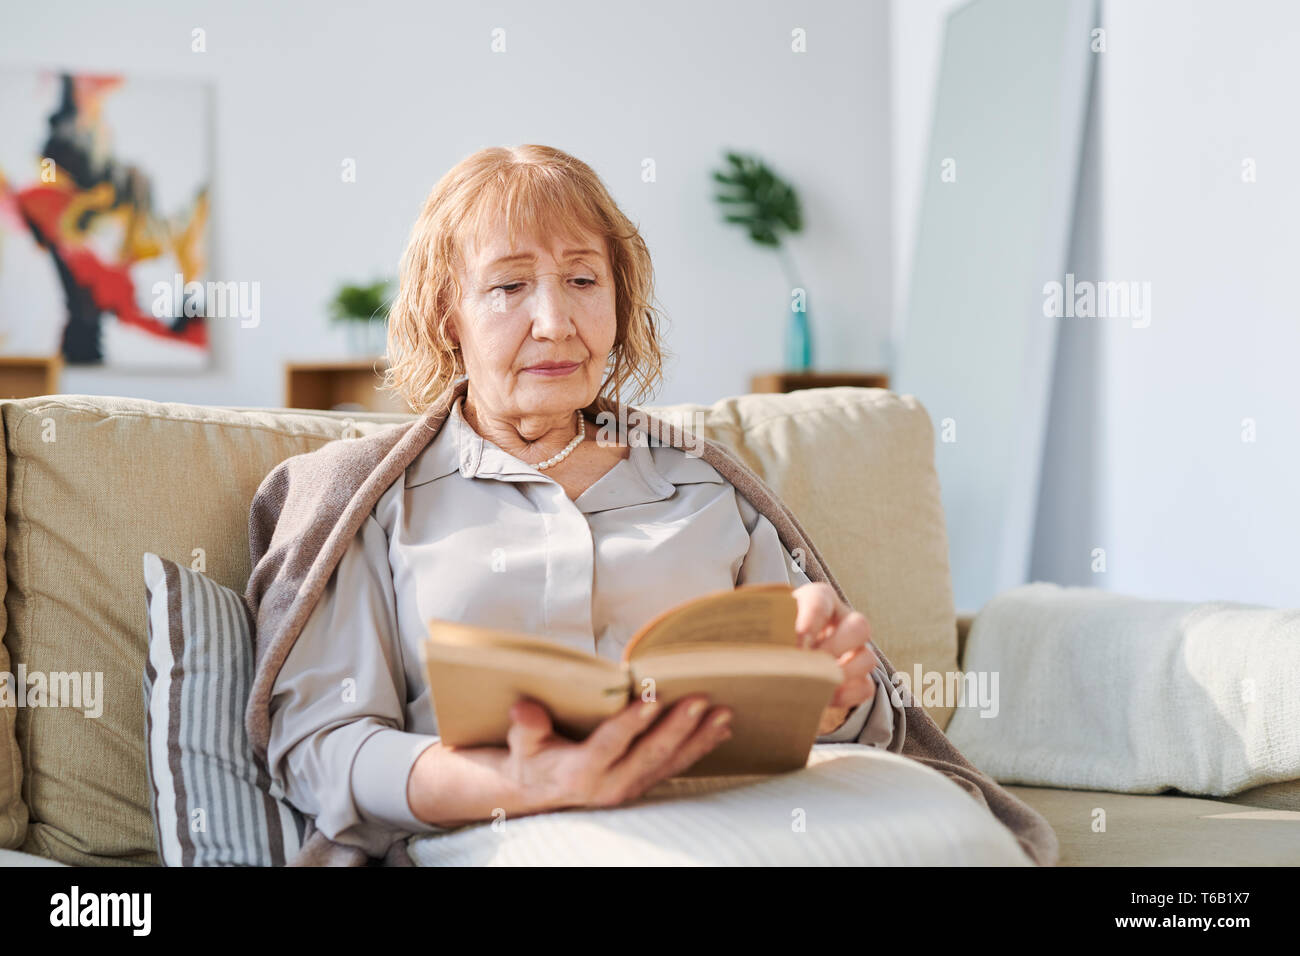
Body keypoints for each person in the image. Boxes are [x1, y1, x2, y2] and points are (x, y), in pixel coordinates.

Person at [266, 145, 895, 859]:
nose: (555, 321)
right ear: (447, 315)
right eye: (508, 287)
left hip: (744, 828)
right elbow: (324, 749)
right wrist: (521, 782)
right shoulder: (375, 503)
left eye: (583, 278)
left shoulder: (703, 483)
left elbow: (852, 725)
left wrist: (830, 687)